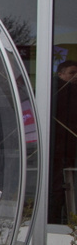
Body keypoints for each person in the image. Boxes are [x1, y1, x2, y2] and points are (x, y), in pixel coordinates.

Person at [51, 60, 77, 225]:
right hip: (57, 147)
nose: (75, 77)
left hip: (70, 147)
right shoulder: (56, 90)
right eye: (72, 73)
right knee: (57, 186)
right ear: (60, 74)